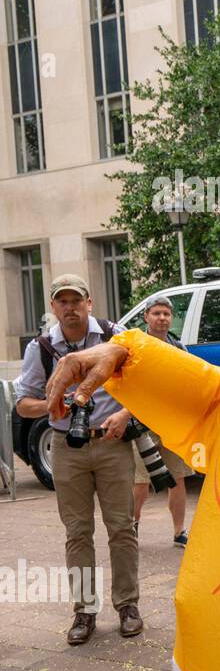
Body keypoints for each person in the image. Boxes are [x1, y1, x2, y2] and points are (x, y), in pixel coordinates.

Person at [14, 275, 140, 645]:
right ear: (53, 307)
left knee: (121, 527)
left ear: (90, 303)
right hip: (66, 446)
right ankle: (84, 611)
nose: (70, 308)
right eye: (62, 302)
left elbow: (145, 381)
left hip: (111, 442)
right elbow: (23, 403)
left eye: (76, 300)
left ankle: (127, 606)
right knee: (77, 532)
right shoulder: (39, 348)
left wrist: (125, 414)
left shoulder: (116, 335)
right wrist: (52, 403)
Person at [130, 295, 194, 546]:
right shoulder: (135, 344)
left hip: (171, 424)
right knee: (140, 481)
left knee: (177, 478)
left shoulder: (178, 347)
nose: (162, 318)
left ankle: (179, 532)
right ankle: (132, 527)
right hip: (140, 424)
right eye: (156, 313)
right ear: (146, 316)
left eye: (166, 314)